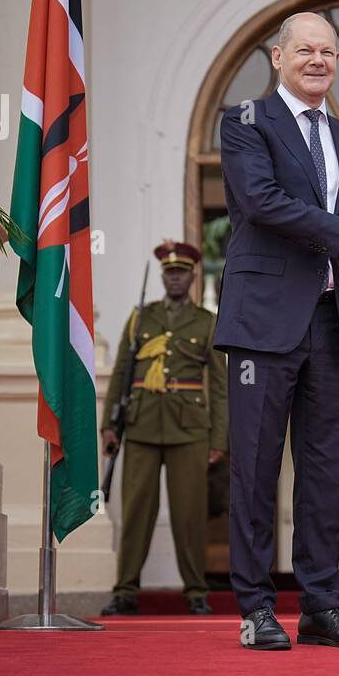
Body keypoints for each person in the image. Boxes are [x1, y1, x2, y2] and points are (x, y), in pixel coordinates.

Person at [215, 11, 339, 651]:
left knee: (323, 472)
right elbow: (262, 202)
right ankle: (257, 608)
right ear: (278, 57)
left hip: (330, 324)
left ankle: (320, 605)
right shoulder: (244, 123)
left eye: (329, 52)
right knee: (256, 471)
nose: (318, 60)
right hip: (262, 324)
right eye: (306, 50)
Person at [100, 240, 227, 616]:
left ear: (191, 276)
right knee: (136, 510)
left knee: (189, 513)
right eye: (169, 272)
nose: (175, 278)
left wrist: (218, 437)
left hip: (190, 429)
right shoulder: (141, 318)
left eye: (181, 272)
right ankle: (125, 592)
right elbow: (123, 371)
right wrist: (111, 424)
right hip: (140, 424)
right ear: (162, 276)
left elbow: (219, 385)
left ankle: (196, 592)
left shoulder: (207, 323)